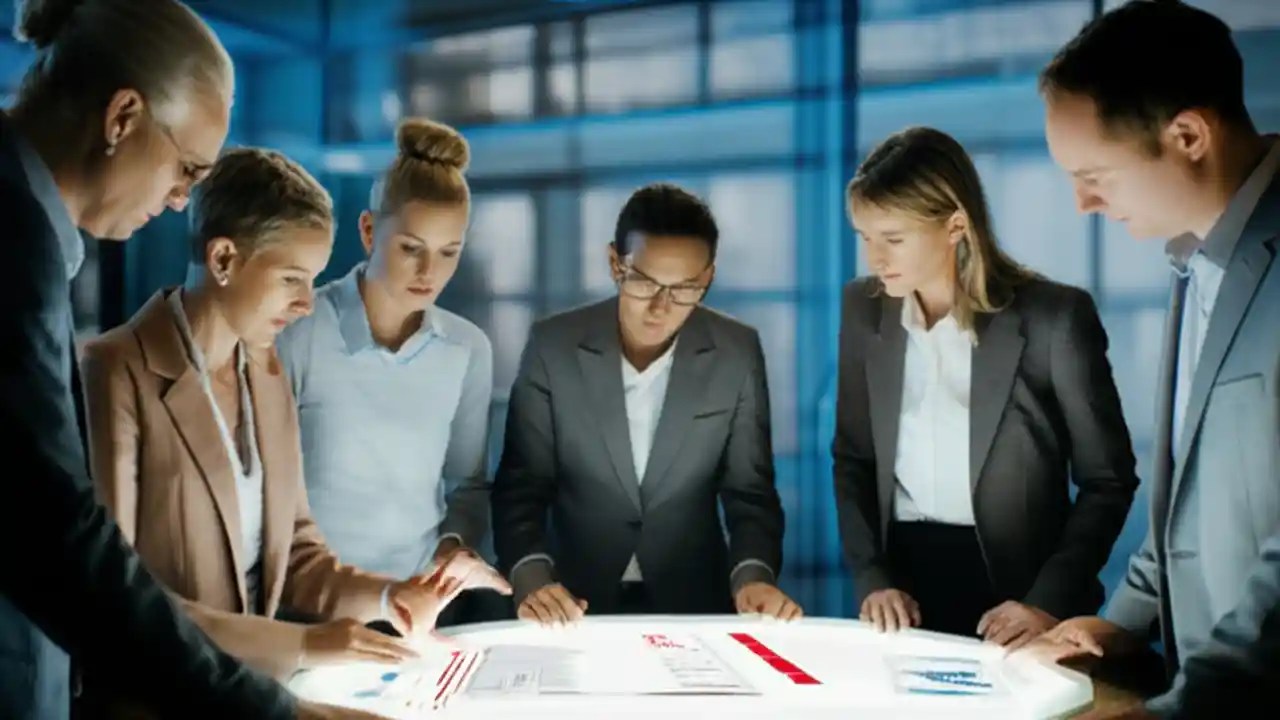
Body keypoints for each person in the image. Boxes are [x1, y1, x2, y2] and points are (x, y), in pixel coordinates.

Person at [0, 0, 388, 717]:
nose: (182, 202)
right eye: (184, 169)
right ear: (122, 119)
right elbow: (61, 541)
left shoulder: (33, 237)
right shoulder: (13, 244)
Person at [79, 147, 507, 701]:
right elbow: (117, 600)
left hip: (258, 693)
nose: (307, 304)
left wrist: (389, 598)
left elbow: (299, 554)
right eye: (291, 280)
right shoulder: (114, 371)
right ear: (225, 260)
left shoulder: (265, 368)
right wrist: (304, 645)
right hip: (160, 699)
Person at [1032, 1, 1280, 716]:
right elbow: (1191, 495)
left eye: (1095, 174)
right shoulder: (1193, 261)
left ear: (1189, 135)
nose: (1081, 203)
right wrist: (1124, 620)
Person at [832, 126, 1139, 648]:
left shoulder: (1054, 319)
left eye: (894, 238)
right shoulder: (863, 308)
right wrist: (872, 578)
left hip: (1024, 601)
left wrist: (1046, 602)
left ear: (955, 225)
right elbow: (854, 458)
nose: (875, 258)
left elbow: (1108, 481)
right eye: (865, 237)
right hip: (901, 598)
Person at [492, 183, 802, 624]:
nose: (661, 307)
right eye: (645, 282)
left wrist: (752, 576)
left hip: (696, 601)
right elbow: (522, 487)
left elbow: (749, 494)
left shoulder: (737, 351)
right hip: (568, 601)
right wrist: (532, 579)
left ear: (708, 278)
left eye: (685, 289)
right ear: (615, 264)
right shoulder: (554, 345)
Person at [276, 118, 503, 627]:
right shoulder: (299, 330)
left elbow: (467, 487)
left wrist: (452, 547)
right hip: (310, 607)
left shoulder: (467, 349)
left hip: (420, 610)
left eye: (450, 253)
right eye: (411, 248)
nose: (430, 273)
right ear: (368, 231)